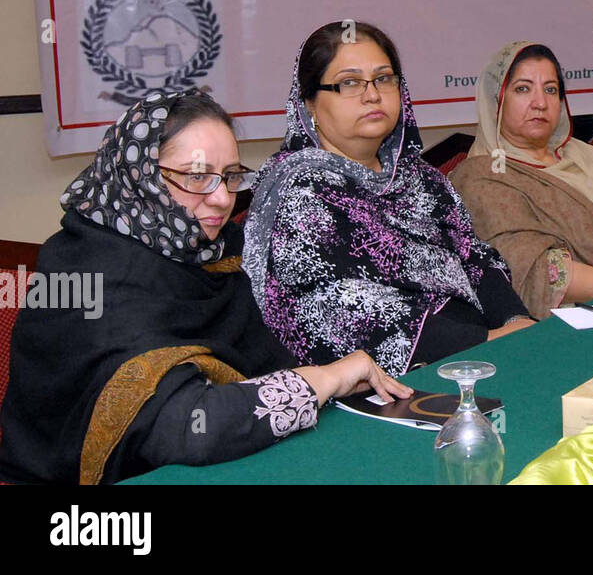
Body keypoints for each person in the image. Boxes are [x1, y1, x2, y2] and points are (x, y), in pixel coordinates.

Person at [0, 91, 408, 485]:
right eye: (196, 177)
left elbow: (258, 371)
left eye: (230, 176)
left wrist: (317, 380)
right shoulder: (97, 277)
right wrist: (328, 379)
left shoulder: (207, 255)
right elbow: (191, 429)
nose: (220, 199)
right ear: (138, 176)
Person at [243, 22, 533, 376]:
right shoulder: (300, 188)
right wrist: (487, 341)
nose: (372, 95)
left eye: (383, 79)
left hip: (488, 346)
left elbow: (472, 255)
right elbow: (338, 310)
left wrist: (516, 322)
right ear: (309, 105)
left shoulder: (422, 178)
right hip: (387, 383)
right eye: (349, 83)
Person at [451, 41, 593, 319]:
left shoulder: (584, 155)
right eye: (523, 89)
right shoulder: (485, 175)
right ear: (496, 100)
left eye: (551, 90)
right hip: (583, 315)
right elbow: (531, 266)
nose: (540, 103)